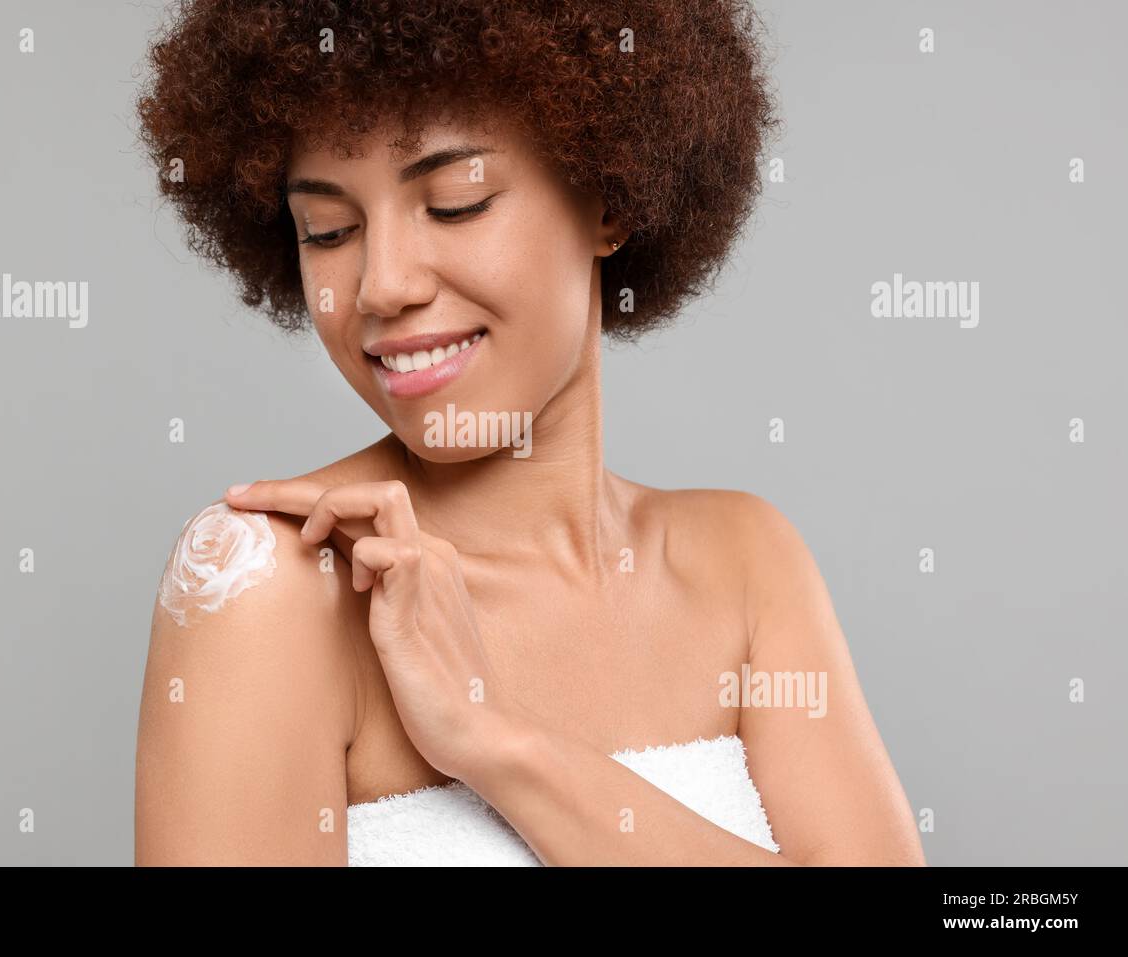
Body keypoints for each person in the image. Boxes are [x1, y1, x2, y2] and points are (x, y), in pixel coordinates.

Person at [133, 0, 925, 866]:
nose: (381, 286)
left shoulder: (744, 563)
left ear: (609, 201)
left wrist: (492, 739)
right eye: (329, 230)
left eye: (456, 202)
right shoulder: (270, 590)